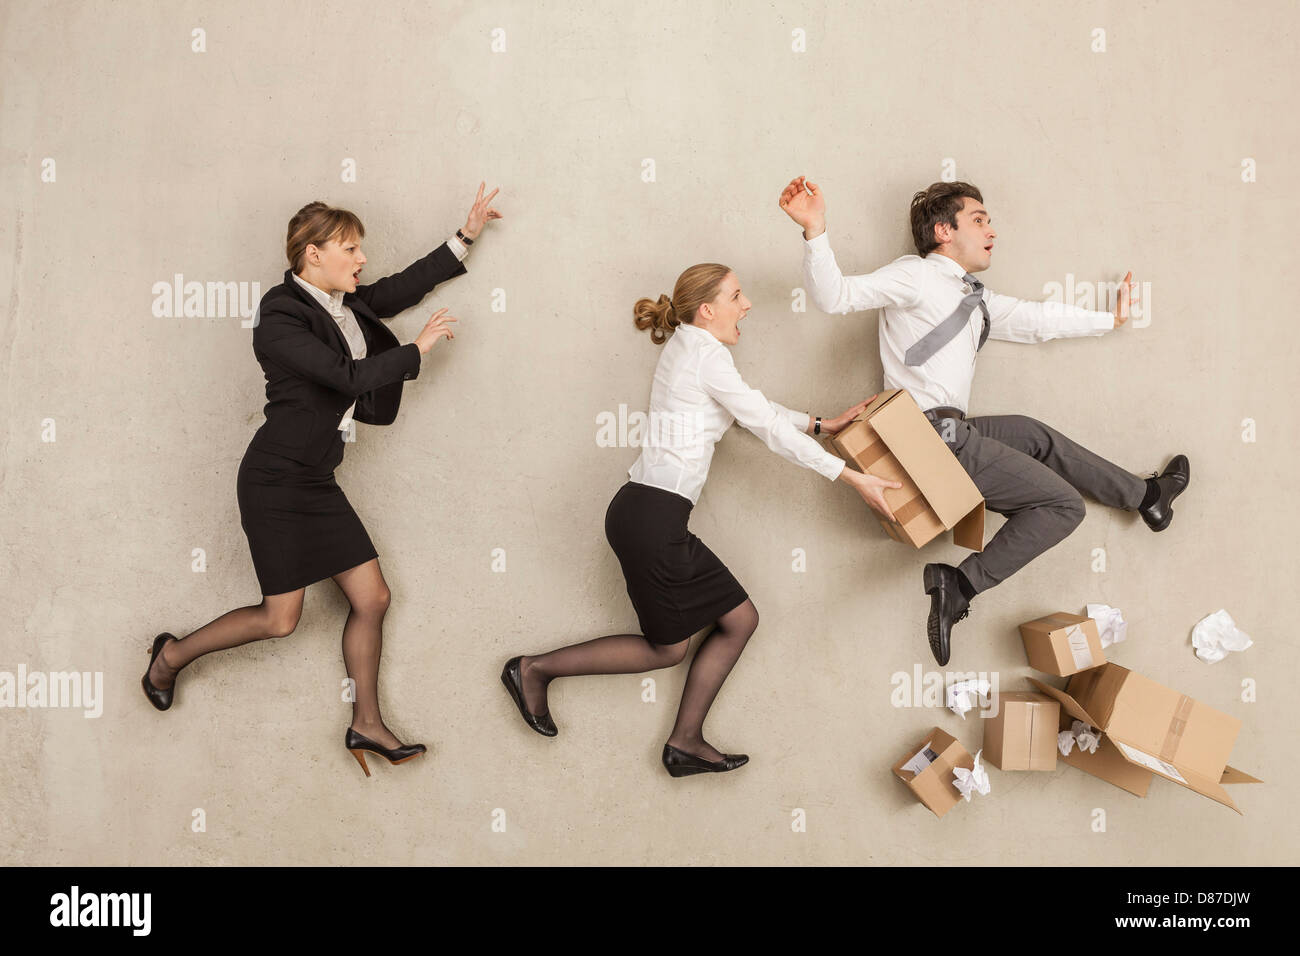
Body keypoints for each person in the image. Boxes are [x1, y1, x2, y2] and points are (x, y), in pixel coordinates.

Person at [141, 184, 502, 778]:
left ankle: (367, 723)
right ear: (314, 254)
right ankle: (170, 655)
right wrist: (416, 350)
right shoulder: (279, 314)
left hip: (316, 478)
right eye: (351, 249)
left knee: (373, 598)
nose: (362, 259)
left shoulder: (343, 303)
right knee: (281, 620)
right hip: (275, 481)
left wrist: (465, 236)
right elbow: (345, 376)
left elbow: (400, 288)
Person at [500, 263, 900, 777]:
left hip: (646, 514)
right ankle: (539, 672)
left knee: (689, 640)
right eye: (737, 296)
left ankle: (675, 737)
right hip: (653, 518)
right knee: (705, 634)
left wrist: (823, 424)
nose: (747, 305)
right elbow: (765, 426)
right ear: (707, 309)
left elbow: (755, 409)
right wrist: (852, 477)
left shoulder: (693, 349)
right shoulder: (705, 354)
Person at [779, 176, 1188, 666]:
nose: (991, 230)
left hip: (952, 429)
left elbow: (1037, 321)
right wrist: (815, 229)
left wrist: (1110, 321)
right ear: (943, 232)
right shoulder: (916, 275)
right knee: (1063, 506)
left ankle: (1147, 497)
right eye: (978, 220)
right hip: (928, 437)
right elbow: (835, 296)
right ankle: (960, 584)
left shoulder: (974, 298)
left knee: (1032, 434)